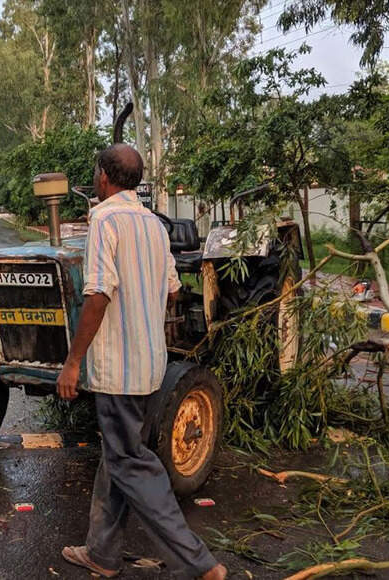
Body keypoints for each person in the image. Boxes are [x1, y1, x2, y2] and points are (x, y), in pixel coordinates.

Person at [56, 145, 226, 580]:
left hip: (118, 372)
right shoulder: (154, 224)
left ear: (103, 178)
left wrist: (73, 362)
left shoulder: (104, 220)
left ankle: (199, 562)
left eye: (96, 173)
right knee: (117, 459)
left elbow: (98, 294)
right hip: (151, 367)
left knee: (132, 463)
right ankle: (102, 554)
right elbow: (172, 289)